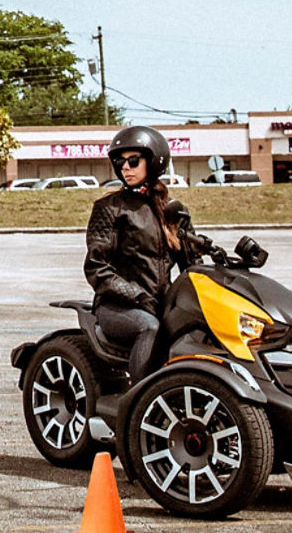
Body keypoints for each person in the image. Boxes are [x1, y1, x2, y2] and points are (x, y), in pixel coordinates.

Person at [82, 126, 226, 380]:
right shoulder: (109, 208)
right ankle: (140, 399)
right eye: (120, 161)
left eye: (133, 161)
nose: (125, 167)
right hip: (117, 306)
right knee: (149, 326)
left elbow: (192, 264)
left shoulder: (172, 210)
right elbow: (97, 268)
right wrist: (137, 297)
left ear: (154, 161)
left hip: (160, 302)